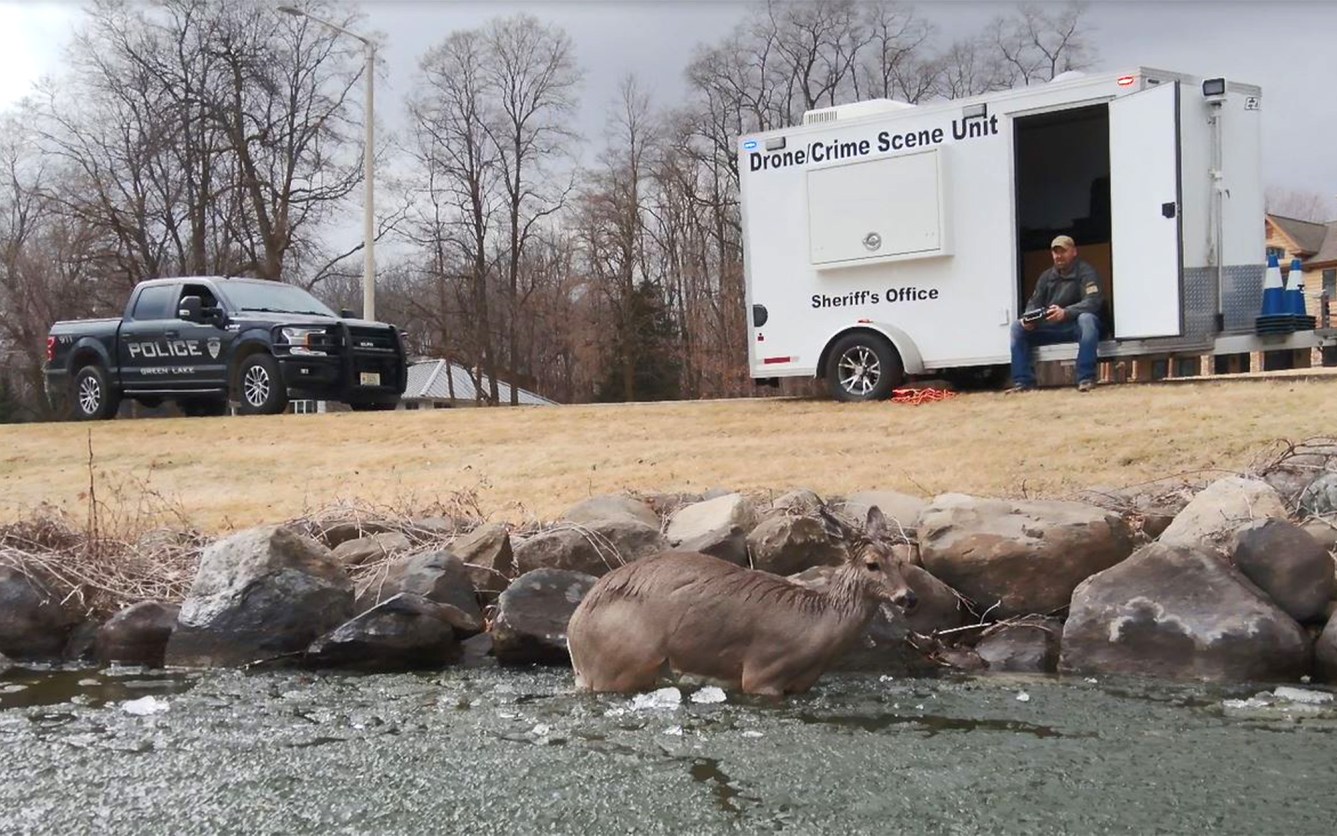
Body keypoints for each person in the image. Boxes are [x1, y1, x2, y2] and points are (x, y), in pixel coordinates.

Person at [1007, 235, 1105, 393]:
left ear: (1074, 252)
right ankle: (1022, 382)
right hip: (1052, 327)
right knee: (1017, 327)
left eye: (1063, 251)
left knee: (1087, 319)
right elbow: (1034, 302)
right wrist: (1029, 318)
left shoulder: (1087, 273)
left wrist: (1066, 313)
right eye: (1055, 252)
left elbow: (1093, 302)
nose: (1059, 256)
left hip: (1075, 326)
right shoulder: (1046, 277)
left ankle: (1086, 379)